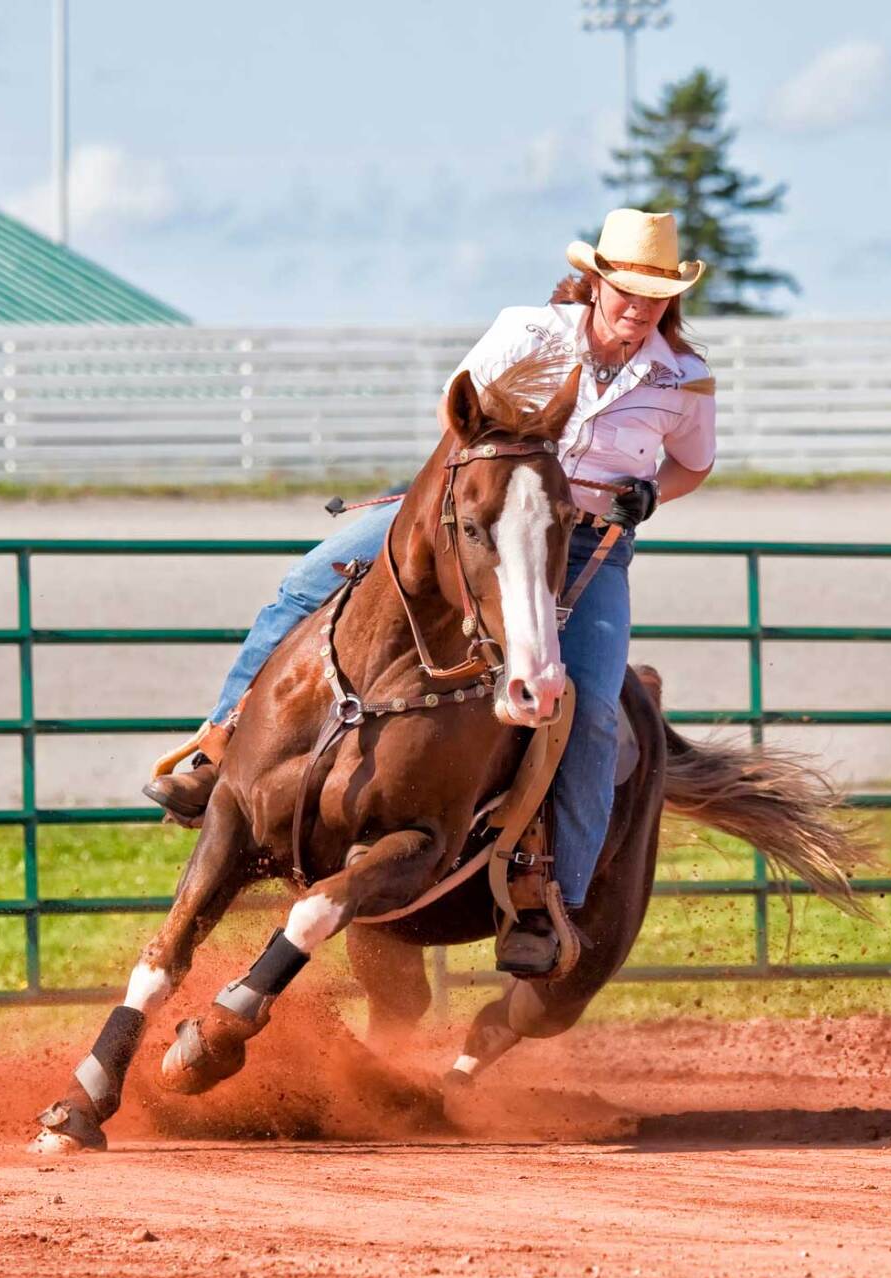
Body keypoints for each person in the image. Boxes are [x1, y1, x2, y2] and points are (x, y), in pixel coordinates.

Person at [144, 208, 717, 973]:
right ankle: (220, 746)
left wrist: (649, 493)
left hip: (582, 542)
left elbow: (693, 464)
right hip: (472, 511)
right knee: (306, 583)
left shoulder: (684, 377)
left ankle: (550, 897)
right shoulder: (528, 331)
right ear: (597, 282)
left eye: (655, 297)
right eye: (627, 291)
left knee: (591, 708)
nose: (638, 309)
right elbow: (461, 418)